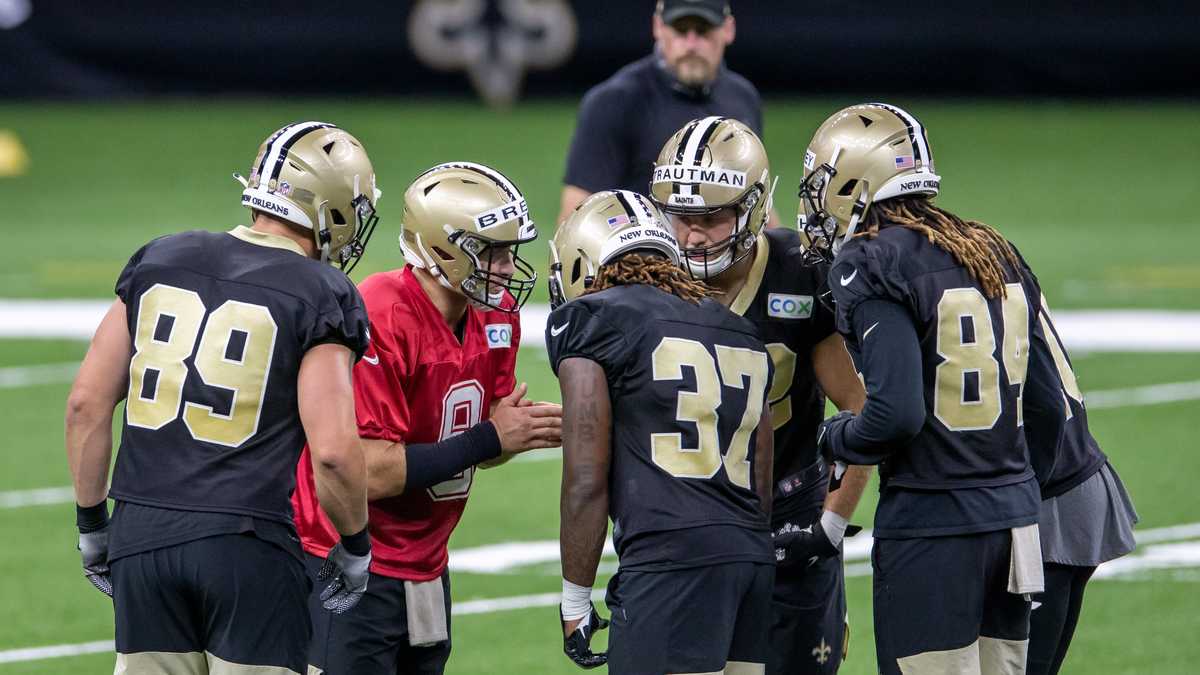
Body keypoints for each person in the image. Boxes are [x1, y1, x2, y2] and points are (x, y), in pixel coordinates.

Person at [67, 121, 382, 673]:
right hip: (245, 540)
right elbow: (333, 451)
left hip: (141, 534)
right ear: (332, 206)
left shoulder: (161, 257)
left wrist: (93, 526)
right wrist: (356, 544)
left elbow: (86, 404)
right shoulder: (322, 290)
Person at [799, 103, 1069, 675]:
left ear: (857, 180)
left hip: (934, 527)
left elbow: (895, 414)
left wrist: (831, 437)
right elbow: (1048, 407)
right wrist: (1009, 490)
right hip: (1014, 524)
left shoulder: (869, 261)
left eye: (824, 182)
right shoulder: (994, 248)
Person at [291, 161, 562, 674]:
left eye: (510, 252)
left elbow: (479, 442)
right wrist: (490, 438)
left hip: (427, 564)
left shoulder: (496, 312)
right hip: (347, 559)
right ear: (442, 249)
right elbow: (367, 469)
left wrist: (521, 432)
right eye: (493, 252)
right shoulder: (381, 312)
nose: (506, 268)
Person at [650, 115, 869, 674]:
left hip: (790, 506)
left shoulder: (799, 272)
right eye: (679, 215)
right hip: (688, 517)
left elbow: (859, 408)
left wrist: (830, 524)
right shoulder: (646, 282)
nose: (692, 234)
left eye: (712, 216)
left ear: (751, 207)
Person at [549, 189, 776, 674]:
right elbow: (761, 479)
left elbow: (586, 476)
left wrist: (575, 600)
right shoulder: (738, 329)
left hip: (670, 564)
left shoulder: (593, 318)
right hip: (751, 563)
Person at [559, 0, 769, 225]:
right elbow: (575, 220)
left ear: (728, 30)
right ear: (658, 27)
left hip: (727, 257)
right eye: (680, 30)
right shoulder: (615, 102)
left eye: (703, 30)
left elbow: (758, 203)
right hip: (647, 259)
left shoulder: (743, 98)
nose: (691, 44)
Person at [1024, 300, 1138, 675]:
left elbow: (1047, 408)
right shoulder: (1001, 262)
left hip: (1048, 501)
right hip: (1077, 481)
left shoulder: (944, 273)